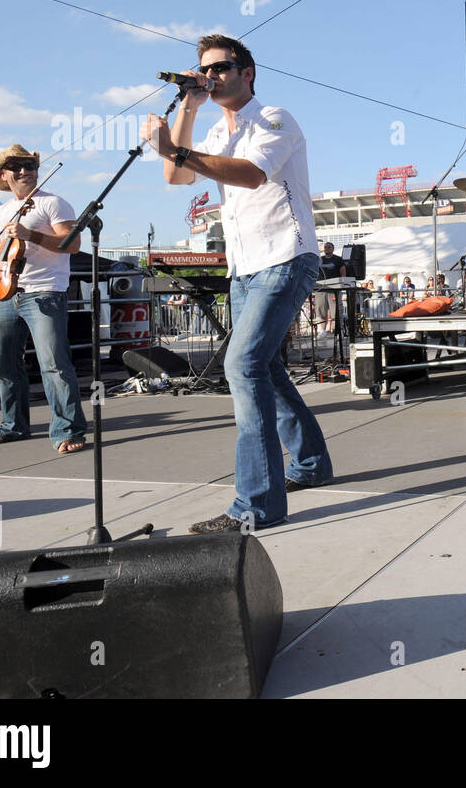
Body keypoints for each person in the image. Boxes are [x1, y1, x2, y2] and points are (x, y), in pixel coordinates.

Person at [143, 34, 334, 533]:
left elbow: (250, 175)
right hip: (243, 267)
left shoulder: (275, 117)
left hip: (285, 257)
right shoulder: (215, 132)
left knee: (241, 364)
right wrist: (187, 108)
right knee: (264, 367)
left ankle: (257, 505)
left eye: (223, 67)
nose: (214, 76)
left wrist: (177, 153)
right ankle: (311, 464)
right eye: (205, 69)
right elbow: (175, 178)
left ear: (248, 72)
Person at [0, 145, 87, 454]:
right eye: (16, 166)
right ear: (4, 175)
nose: (25, 170)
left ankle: (68, 430)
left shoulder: (54, 203)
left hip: (45, 292)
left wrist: (32, 236)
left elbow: (73, 243)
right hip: (4, 293)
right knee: (3, 364)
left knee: (54, 364)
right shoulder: (0, 212)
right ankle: (12, 425)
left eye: (29, 165)